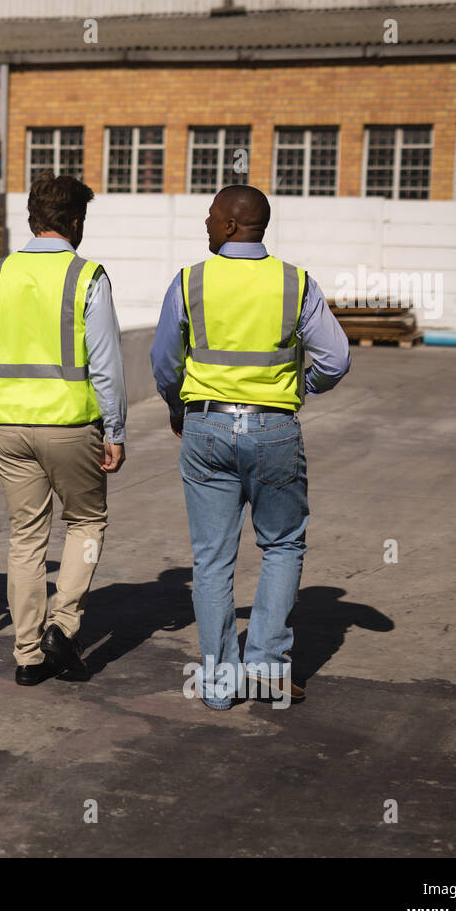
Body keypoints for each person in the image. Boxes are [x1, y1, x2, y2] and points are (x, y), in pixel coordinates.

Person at [151, 184, 351, 709]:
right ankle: (265, 669)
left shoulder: (191, 280)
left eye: (213, 215)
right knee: (282, 546)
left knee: (212, 560)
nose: (207, 222)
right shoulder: (295, 282)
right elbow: (335, 359)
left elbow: (164, 362)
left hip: (207, 429)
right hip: (273, 430)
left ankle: (219, 684)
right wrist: (297, 391)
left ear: (234, 225)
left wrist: (179, 406)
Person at [0, 171, 127, 686]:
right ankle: (65, 624)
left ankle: (28, 655)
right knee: (86, 523)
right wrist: (116, 430)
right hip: (72, 426)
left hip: (10, 426)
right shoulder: (87, 276)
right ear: (75, 221)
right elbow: (106, 364)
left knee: (25, 539)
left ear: (32, 219)